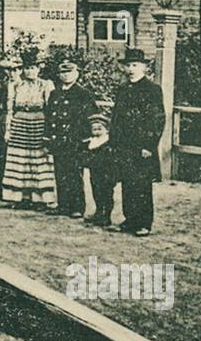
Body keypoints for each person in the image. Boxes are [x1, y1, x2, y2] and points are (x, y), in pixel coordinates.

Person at [109, 49, 166, 237]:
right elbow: (116, 118)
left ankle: (144, 223)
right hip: (123, 145)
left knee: (142, 184)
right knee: (127, 182)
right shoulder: (123, 89)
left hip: (142, 146)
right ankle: (129, 219)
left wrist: (149, 145)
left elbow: (157, 119)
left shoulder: (152, 89)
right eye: (128, 65)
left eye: (135, 65)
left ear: (144, 67)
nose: (131, 69)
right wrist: (114, 143)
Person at [0, 52, 57, 209]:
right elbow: (10, 109)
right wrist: (8, 130)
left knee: (38, 160)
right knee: (20, 160)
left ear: (39, 69)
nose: (30, 71)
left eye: (33, 68)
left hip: (39, 125)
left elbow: (51, 109)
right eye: (27, 68)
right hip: (19, 125)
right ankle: (20, 197)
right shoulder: (16, 85)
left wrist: (49, 131)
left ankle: (39, 198)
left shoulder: (46, 85)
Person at [45, 59, 98, 218]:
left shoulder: (84, 94)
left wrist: (85, 138)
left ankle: (77, 207)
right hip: (58, 139)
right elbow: (49, 116)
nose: (66, 76)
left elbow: (91, 118)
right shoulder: (55, 93)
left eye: (69, 72)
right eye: (63, 73)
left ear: (76, 74)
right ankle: (63, 204)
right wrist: (47, 137)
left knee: (74, 174)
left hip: (74, 140)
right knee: (60, 173)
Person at [0, 57, 21, 200]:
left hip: (18, 124)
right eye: (8, 71)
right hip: (3, 126)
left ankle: (14, 192)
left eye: (14, 70)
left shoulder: (22, 87)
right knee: (0, 156)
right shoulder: (3, 88)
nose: (10, 74)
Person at [84, 112, 116, 229]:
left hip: (106, 172)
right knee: (96, 191)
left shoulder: (107, 142)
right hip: (95, 172)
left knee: (106, 193)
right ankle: (98, 211)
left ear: (106, 129)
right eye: (94, 129)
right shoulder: (91, 142)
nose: (97, 131)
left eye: (99, 129)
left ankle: (106, 215)